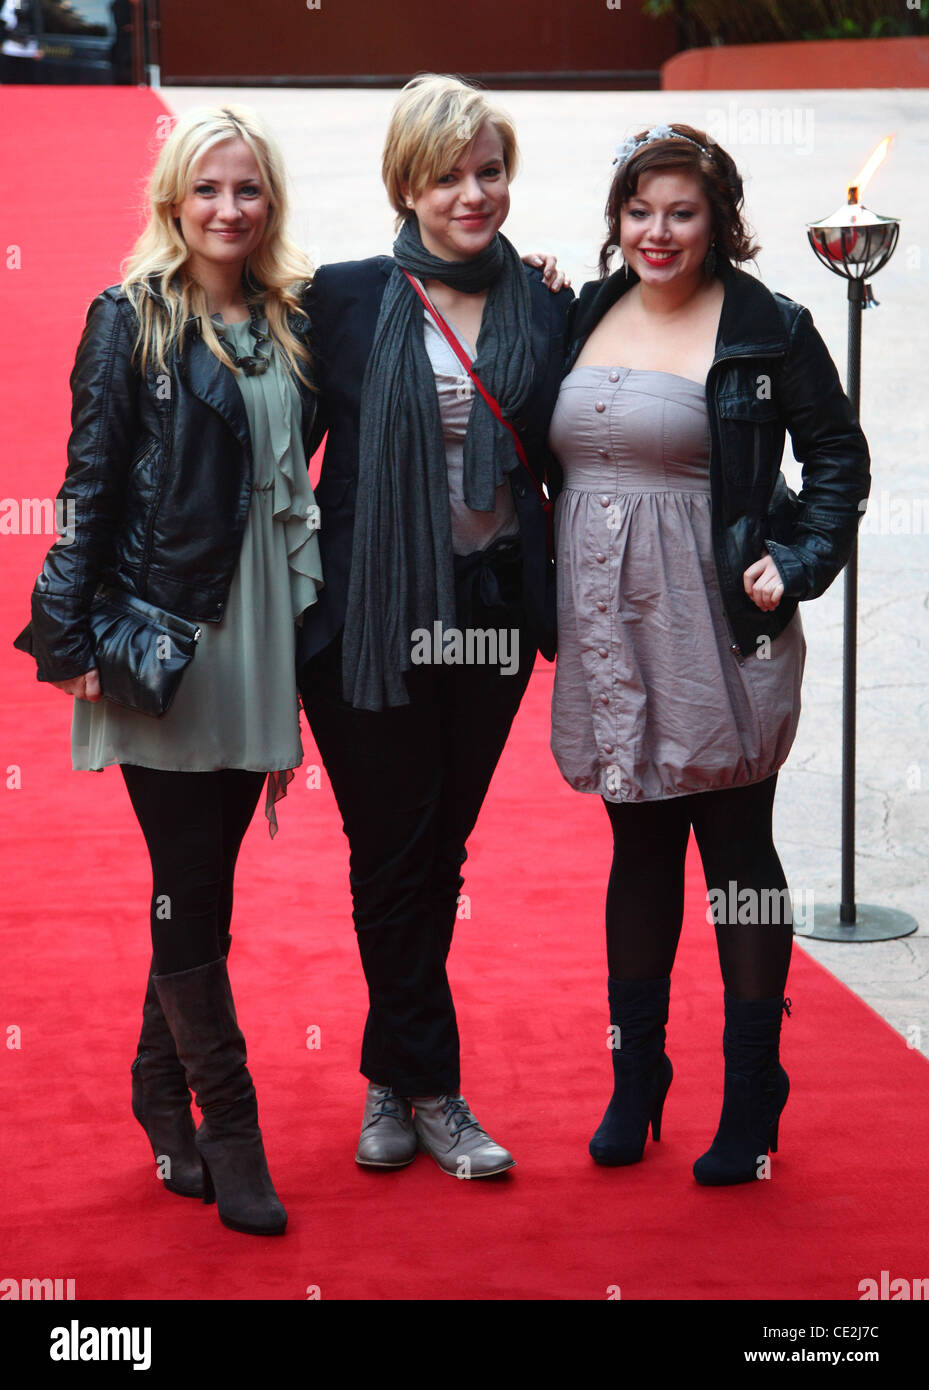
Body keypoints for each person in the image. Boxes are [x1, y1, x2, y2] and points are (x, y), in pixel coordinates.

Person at [15, 105, 322, 1233]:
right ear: (172, 202)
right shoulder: (129, 319)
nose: (227, 210)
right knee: (189, 878)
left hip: (257, 638)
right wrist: (68, 634)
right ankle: (228, 1121)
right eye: (207, 191)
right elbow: (88, 480)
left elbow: (413, 294)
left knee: (204, 881)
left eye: (246, 190)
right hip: (163, 637)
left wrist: (527, 278)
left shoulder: (288, 322)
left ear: (268, 202)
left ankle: (156, 1081)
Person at [549, 123, 870, 1184]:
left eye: (679, 212)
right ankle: (635, 1079)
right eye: (638, 211)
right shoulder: (587, 310)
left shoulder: (766, 326)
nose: (656, 231)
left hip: (718, 624)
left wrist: (798, 559)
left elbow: (834, 458)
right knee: (635, 850)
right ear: (617, 218)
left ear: (717, 220)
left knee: (733, 855)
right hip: (608, 628)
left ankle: (750, 1089)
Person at [297, 74, 572, 1177]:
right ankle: (432, 1090)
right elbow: (283, 453)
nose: (473, 193)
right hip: (369, 618)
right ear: (405, 181)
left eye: (489, 171)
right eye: (449, 173)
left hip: (492, 618)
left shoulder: (545, 301)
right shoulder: (345, 298)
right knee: (390, 846)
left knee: (436, 848)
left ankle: (386, 1077)